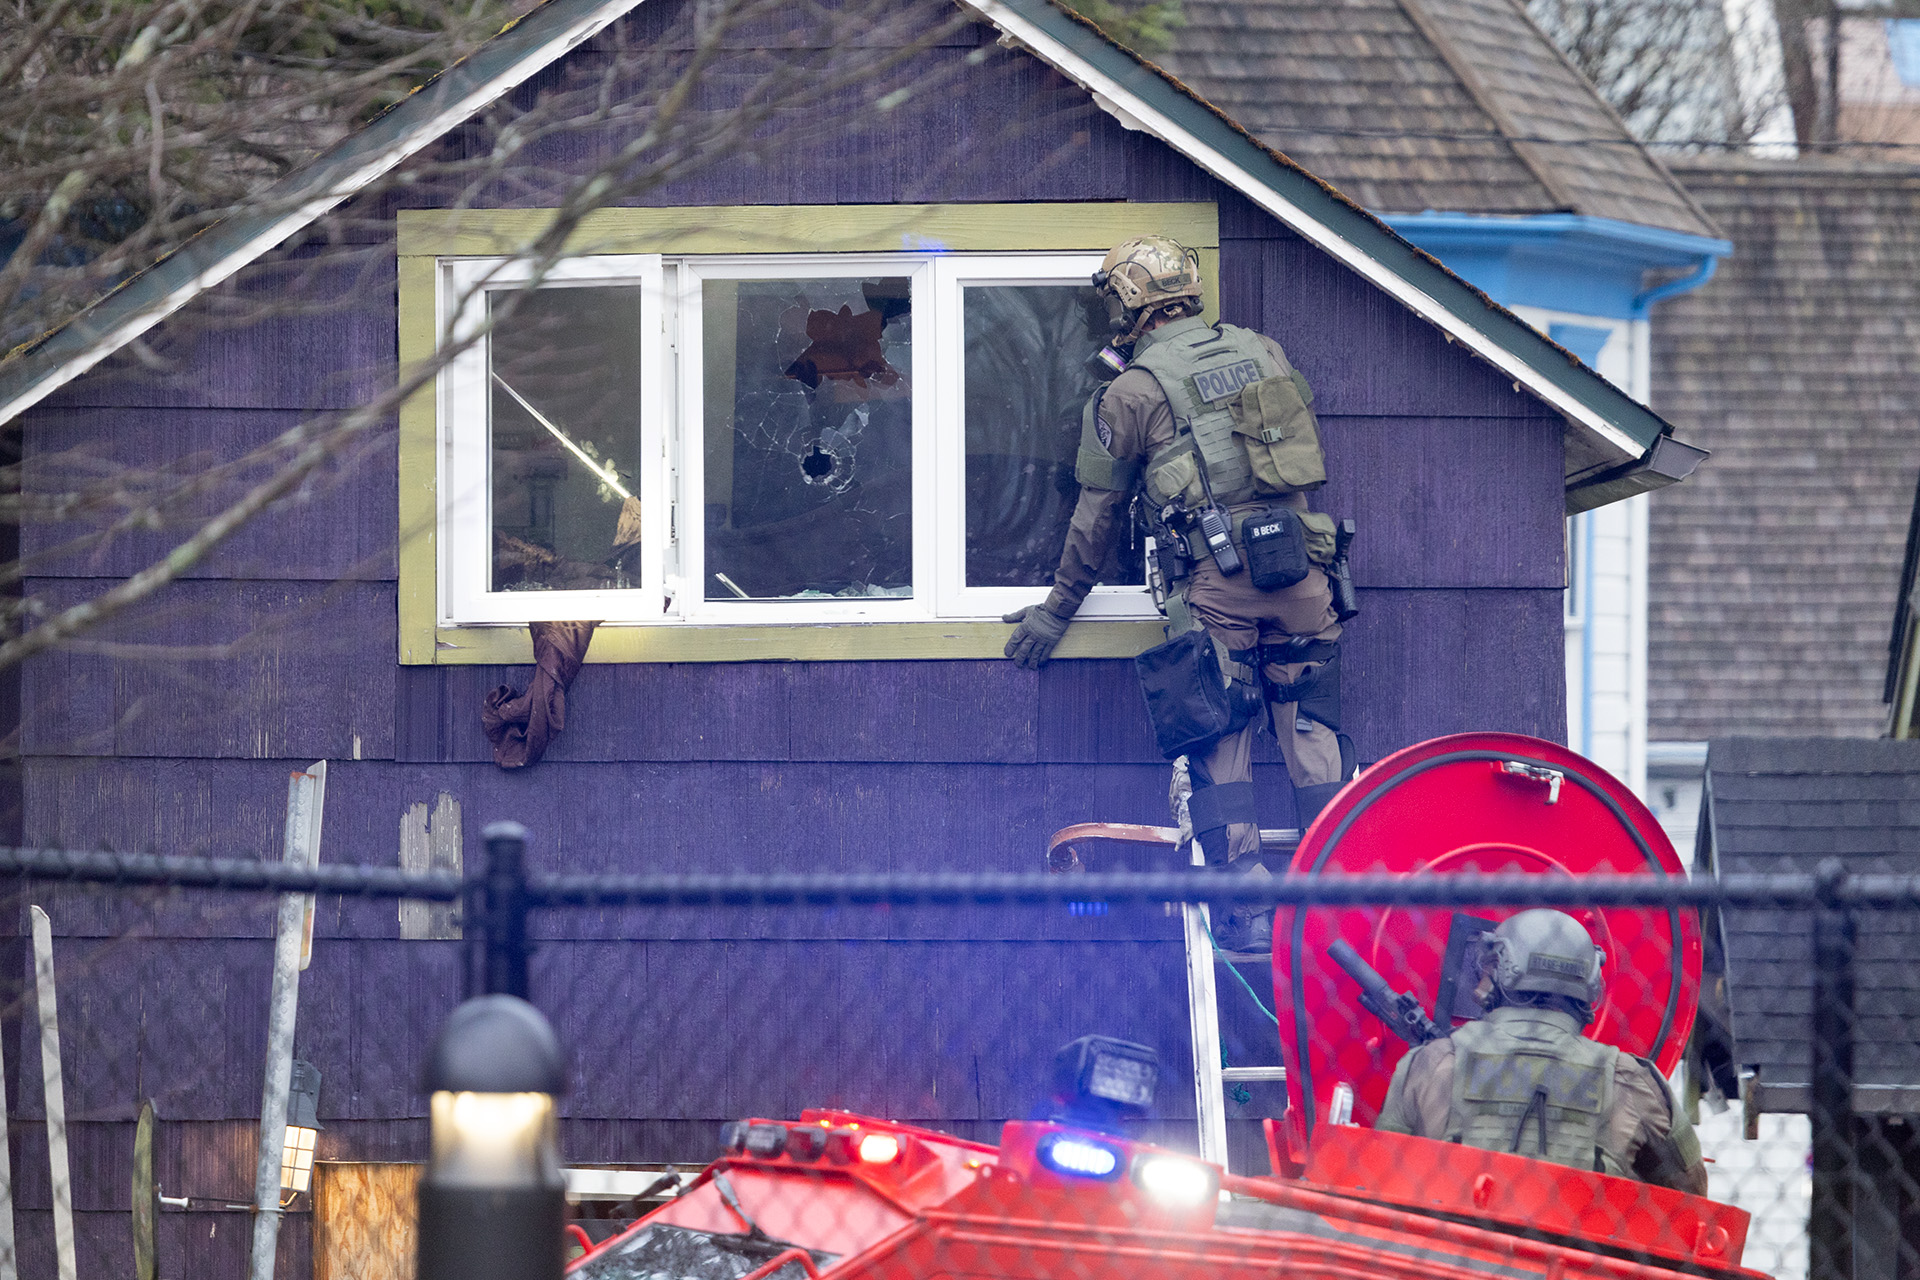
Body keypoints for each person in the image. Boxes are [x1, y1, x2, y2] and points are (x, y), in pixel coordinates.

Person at [1002, 235, 1352, 952]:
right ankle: (1337, 898)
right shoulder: (1264, 350)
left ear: (1129, 302)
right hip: (1305, 575)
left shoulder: (1130, 392)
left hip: (1220, 590)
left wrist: (1055, 611)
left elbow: (1095, 516)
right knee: (1312, 735)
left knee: (1220, 739)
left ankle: (1248, 918)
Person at [1375, 910, 1709, 1195]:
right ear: (1590, 980)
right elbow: (1691, 1199)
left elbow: (1379, 1178)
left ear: (1505, 967)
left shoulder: (1430, 1064)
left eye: (1488, 968)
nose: (1479, 984)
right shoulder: (1633, 1082)